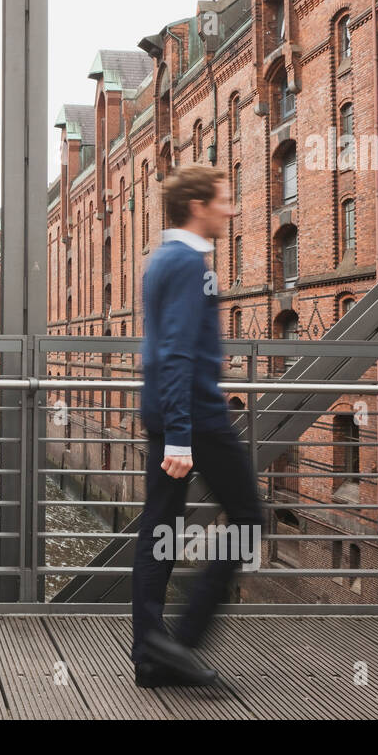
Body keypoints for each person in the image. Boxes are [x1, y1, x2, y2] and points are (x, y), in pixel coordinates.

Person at [132, 163, 262, 688]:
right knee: (249, 516)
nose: (231, 209)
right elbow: (176, 351)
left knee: (160, 527)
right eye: (223, 200)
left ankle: (153, 650)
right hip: (196, 417)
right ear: (196, 206)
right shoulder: (186, 263)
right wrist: (183, 434)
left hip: (169, 411)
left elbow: (167, 349)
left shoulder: (163, 257)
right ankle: (179, 639)